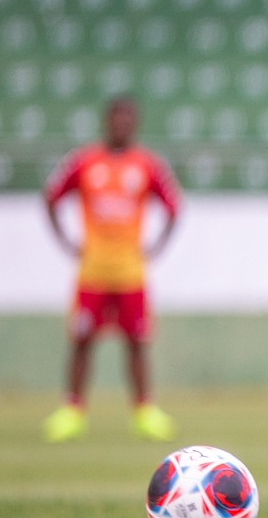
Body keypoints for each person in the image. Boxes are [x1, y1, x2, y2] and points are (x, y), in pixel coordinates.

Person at [41, 97, 181, 443]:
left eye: (127, 118)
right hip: (92, 272)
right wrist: (66, 242)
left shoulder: (147, 165)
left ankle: (144, 411)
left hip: (131, 273)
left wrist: (157, 246)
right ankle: (72, 411)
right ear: (107, 121)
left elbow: (174, 206)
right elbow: (51, 197)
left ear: (135, 123)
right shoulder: (84, 162)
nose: (121, 124)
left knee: (137, 342)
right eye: (116, 117)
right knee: (81, 342)